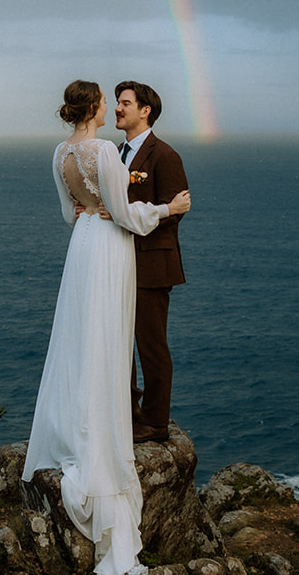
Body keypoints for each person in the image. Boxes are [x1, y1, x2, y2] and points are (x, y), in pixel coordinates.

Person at [24, 80, 192, 575]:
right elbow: (124, 214)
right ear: (95, 107)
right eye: (109, 100)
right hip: (113, 246)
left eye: (123, 102)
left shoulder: (61, 153)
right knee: (108, 339)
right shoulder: (104, 150)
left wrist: (86, 211)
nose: (114, 106)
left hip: (84, 247)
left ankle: (105, 415)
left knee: (84, 335)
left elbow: (68, 213)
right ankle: (110, 423)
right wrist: (168, 208)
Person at [114, 80, 190, 445]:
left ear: (145, 110)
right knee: (117, 344)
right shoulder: (115, 153)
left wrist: (124, 215)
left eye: (125, 103)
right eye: (117, 102)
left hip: (152, 266)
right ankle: (129, 415)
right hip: (119, 262)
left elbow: (175, 211)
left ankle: (156, 422)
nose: (117, 108)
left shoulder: (165, 155)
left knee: (151, 345)